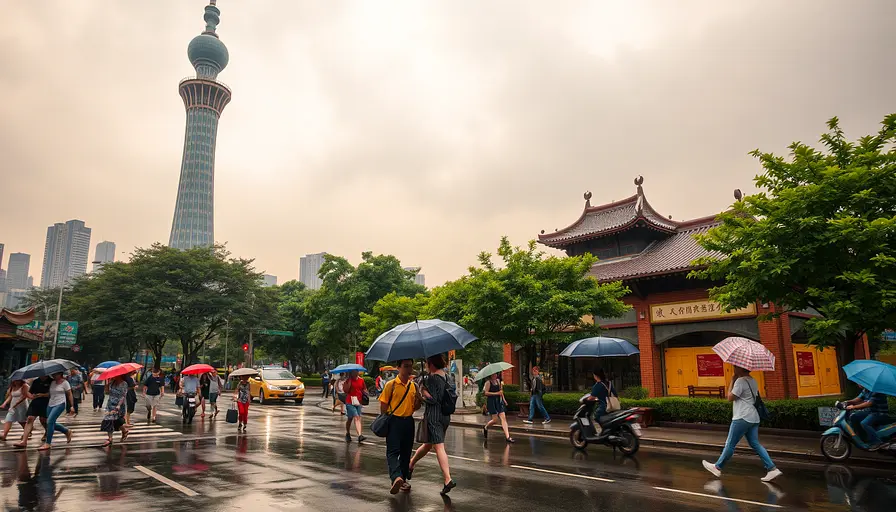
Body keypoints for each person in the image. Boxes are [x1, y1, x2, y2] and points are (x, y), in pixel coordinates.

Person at [702, 366, 781, 482]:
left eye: (735, 367)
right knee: (755, 444)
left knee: (730, 444)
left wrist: (732, 380)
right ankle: (772, 468)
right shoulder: (753, 380)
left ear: (740, 368)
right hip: (754, 417)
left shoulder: (740, 381)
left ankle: (717, 467)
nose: (734, 368)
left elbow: (730, 397)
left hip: (742, 417)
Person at [408, 354, 456, 496]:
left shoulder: (433, 378)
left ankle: (447, 479)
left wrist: (423, 393)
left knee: (439, 446)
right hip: (445, 416)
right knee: (428, 445)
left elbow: (433, 399)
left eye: (427, 363)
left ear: (431, 364)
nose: (426, 366)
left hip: (434, 416)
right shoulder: (447, 377)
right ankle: (411, 464)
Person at [380, 359, 419, 494]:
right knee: (393, 451)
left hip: (408, 421)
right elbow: (383, 405)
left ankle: (402, 479)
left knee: (406, 452)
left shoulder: (413, 386)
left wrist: (419, 399)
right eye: (406, 366)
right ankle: (396, 477)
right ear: (398, 368)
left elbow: (416, 406)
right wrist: (387, 419)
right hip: (394, 421)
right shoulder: (391, 385)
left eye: (410, 366)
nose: (409, 369)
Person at [14, 375, 56, 449]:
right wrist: (31, 395)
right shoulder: (36, 381)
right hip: (35, 402)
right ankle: (24, 441)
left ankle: (47, 431)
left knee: (43, 420)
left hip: (47, 403)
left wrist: (43, 395)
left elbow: (54, 393)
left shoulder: (52, 381)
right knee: (30, 419)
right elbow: (30, 392)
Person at [844, 385, 890, 450]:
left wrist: (854, 407)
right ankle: (862, 438)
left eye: (860, 383)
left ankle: (877, 442)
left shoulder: (876, 391)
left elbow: (869, 403)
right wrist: (847, 402)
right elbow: (857, 399)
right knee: (853, 416)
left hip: (880, 413)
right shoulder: (865, 390)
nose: (858, 384)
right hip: (871, 411)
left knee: (864, 423)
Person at [36, 372, 75, 450]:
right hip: (51, 404)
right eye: (53, 374)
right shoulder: (52, 382)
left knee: (50, 421)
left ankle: (48, 443)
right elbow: (50, 394)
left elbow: (69, 394)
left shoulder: (65, 383)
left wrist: (72, 406)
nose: (54, 375)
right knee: (49, 422)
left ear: (60, 374)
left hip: (60, 403)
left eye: (56, 374)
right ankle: (66, 431)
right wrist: (41, 395)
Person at [482, 373, 515, 443]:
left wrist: (504, 400)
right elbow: (486, 393)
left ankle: (508, 437)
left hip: (499, 401)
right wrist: (496, 393)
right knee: (495, 420)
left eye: (496, 374)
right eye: (493, 375)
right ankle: (486, 427)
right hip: (491, 402)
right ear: (490, 375)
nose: (495, 375)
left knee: (503, 418)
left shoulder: (498, 381)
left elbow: (501, 392)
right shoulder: (488, 383)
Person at [100, 375, 130, 447]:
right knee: (108, 420)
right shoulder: (112, 382)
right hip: (110, 404)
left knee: (116, 421)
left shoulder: (124, 384)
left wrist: (119, 405)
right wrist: (106, 383)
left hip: (119, 405)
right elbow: (107, 392)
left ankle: (124, 431)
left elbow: (123, 396)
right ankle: (110, 438)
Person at [342, 370, 367, 443]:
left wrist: (365, 394)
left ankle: (360, 435)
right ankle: (348, 433)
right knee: (353, 417)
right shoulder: (348, 380)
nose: (356, 373)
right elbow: (345, 390)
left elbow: (364, 389)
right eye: (354, 372)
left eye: (357, 371)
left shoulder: (361, 380)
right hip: (350, 401)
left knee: (356, 417)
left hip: (358, 402)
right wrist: (349, 382)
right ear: (351, 373)